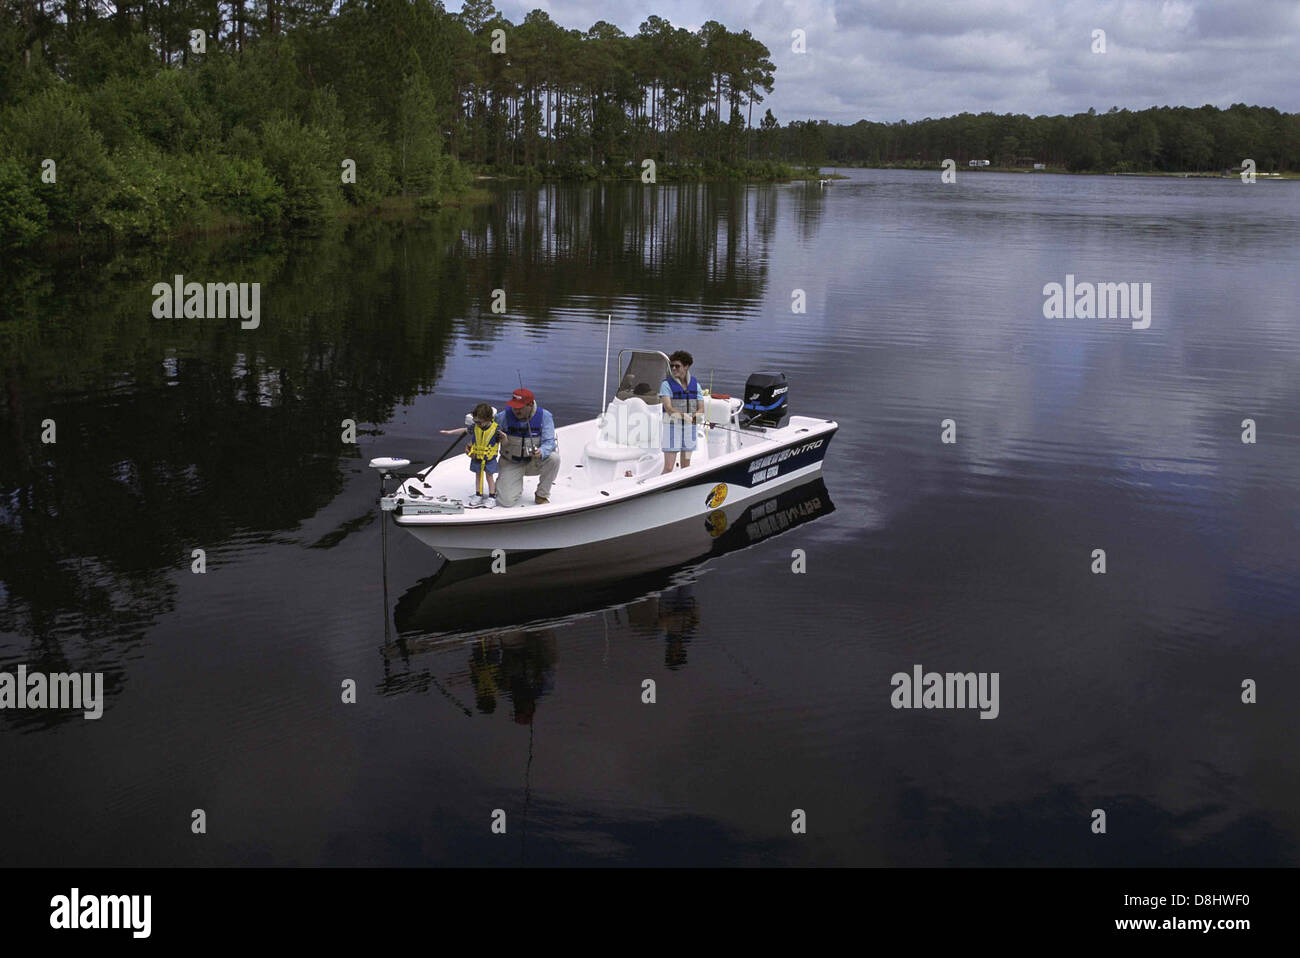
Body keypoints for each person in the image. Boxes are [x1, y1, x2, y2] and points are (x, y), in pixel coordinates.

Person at [494, 387, 560, 506]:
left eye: (519, 408)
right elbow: (487, 432)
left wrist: (542, 451)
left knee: (554, 458)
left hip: (533, 462)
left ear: (530, 405)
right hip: (511, 462)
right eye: (514, 406)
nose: (515, 410)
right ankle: (511, 484)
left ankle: (541, 495)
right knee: (505, 501)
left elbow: (550, 442)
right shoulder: (503, 417)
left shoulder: (545, 416)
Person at [439, 403, 500, 506]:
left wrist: (505, 439)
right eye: (475, 421)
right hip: (477, 457)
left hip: (489, 458)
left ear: (488, 419)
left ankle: (492, 496)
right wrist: (449, 432)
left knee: (489, 477)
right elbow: (464, 430)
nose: (477, 424)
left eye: (479, 422)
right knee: (478, 475)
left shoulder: (496, 430)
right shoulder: (475, 427)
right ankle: (478, 495)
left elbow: (505, 441)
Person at [660, 350, 705, 474]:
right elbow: (668, 408)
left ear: (686, 366)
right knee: (669, 467)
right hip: (672, 427)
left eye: (677, 366)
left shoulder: (696, 385)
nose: (673, 368)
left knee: (686, 465)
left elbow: (701, 407)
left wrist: (697, 415)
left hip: (690, 428)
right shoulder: (666, 384)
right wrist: (685, 416)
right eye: (672, 366)